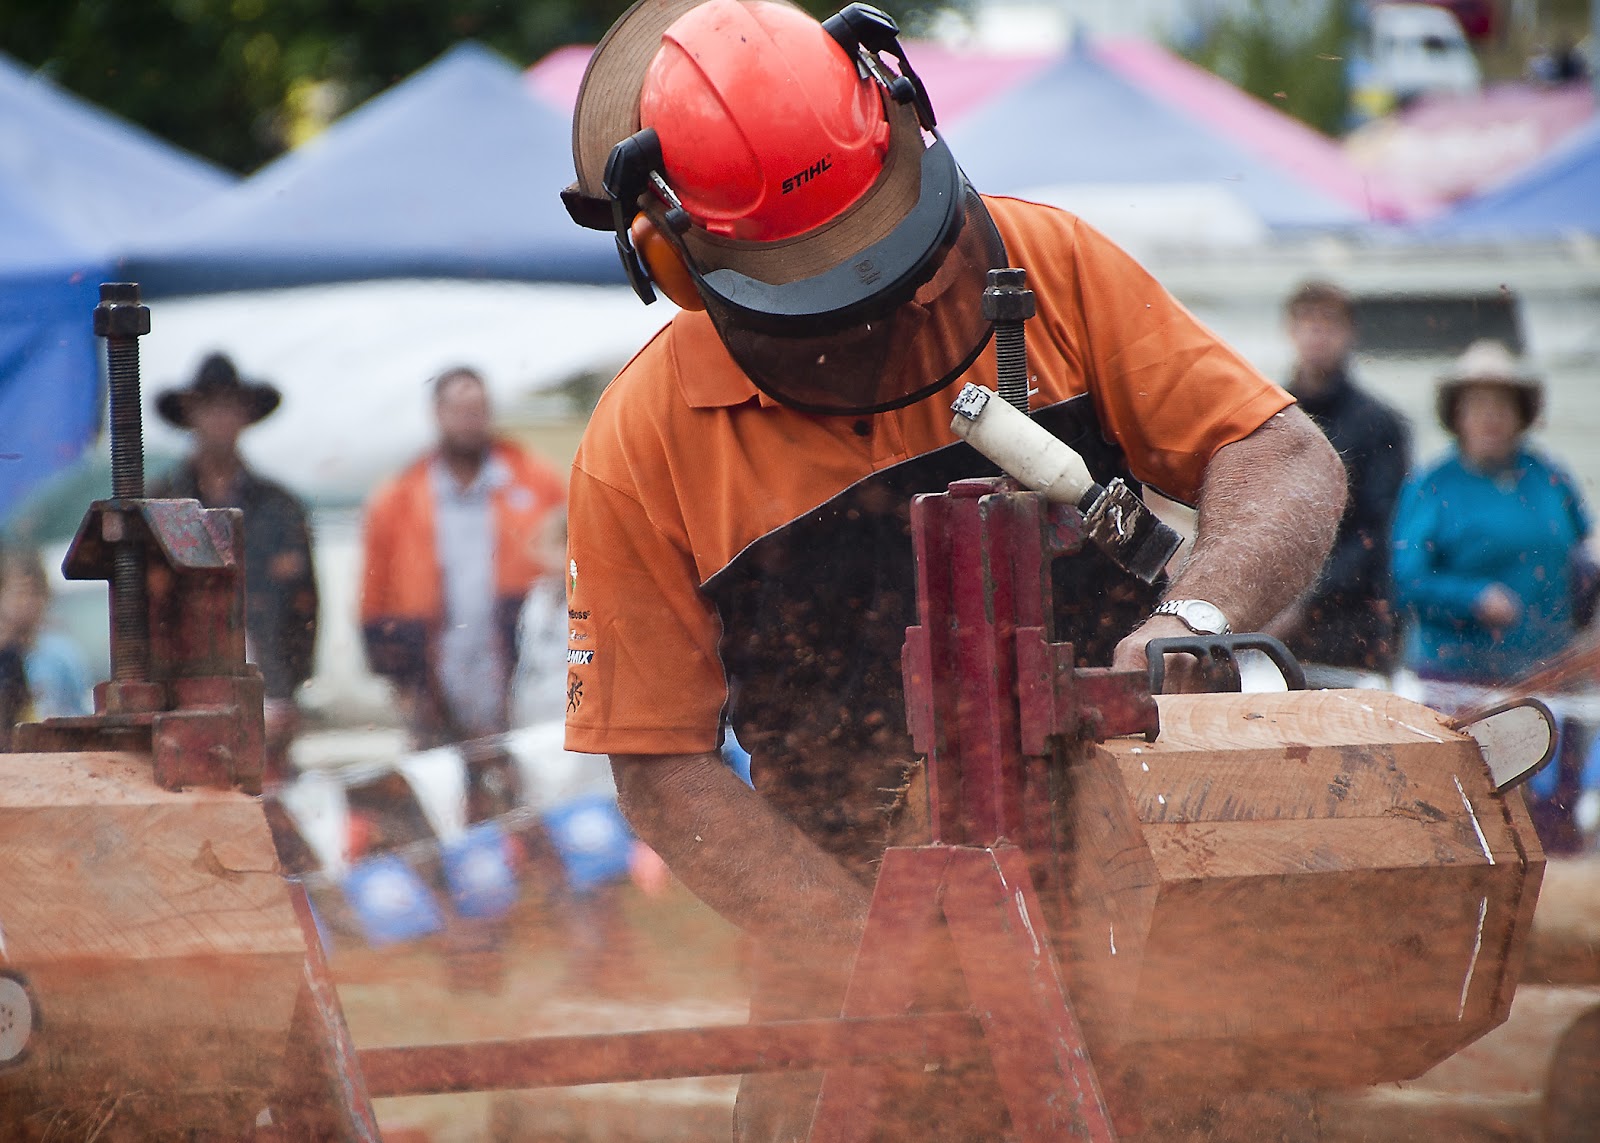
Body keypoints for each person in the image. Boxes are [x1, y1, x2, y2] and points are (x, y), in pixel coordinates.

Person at [557, 2, 1346, 1137]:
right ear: (675, 260)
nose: (863, 315)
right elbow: (661, 768)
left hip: (1160, 906)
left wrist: (1193, 616)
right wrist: (881, 964)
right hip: (850, 965)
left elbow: (1277, 451)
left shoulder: (1049, 266)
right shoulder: (641, 447)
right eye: (811, 287)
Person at [1392, 338, 1593, 851]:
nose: (1490, 417)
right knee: (1472, 816)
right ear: (1456, 414)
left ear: (1521, 413)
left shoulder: (1550, 477)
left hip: (1549, 673)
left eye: (1502, 405)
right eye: (1477, 405)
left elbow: (1583, 556)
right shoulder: (1432, 485)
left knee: (1553, 814)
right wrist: (1472, 596)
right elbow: (1405, 578)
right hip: (1459, 679)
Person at [359, 367, 565, 816]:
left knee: (526, 796)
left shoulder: (535, 482)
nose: (470, 420)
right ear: (437, 415)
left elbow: (574, 560)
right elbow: (374, 601)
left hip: (518, 667)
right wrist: (399, 679)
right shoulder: (398, 499)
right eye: (459, 410)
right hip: (434, 670)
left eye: (479, 410)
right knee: (447, 800)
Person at [149, 353, 318, 784]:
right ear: (191, 415)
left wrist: (288, 688)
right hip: (182, 696)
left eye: (229, 406)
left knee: (268, 806)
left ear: (245, 415)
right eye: (210, 407)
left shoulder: (280, 507)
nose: (220, 419)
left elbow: (307, 610)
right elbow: (147, 612)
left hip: (268, 689)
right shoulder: (160, 504)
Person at [1264, 280, 1410, 684]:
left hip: (1353, 625)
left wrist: (1307, 600)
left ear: (1349, 334)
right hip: (1273, 617)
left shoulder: (1379, 423)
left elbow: (1376, 530)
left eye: (1329, 323)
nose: (1317, 334)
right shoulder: (1269, 416)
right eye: (1307, 322)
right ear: (1290, 331)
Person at [0, 546, 92, 719]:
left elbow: (79, 711)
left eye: (33, 593)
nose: (25, 602)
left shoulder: (60, 655)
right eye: (19, 593)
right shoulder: (5, 655)